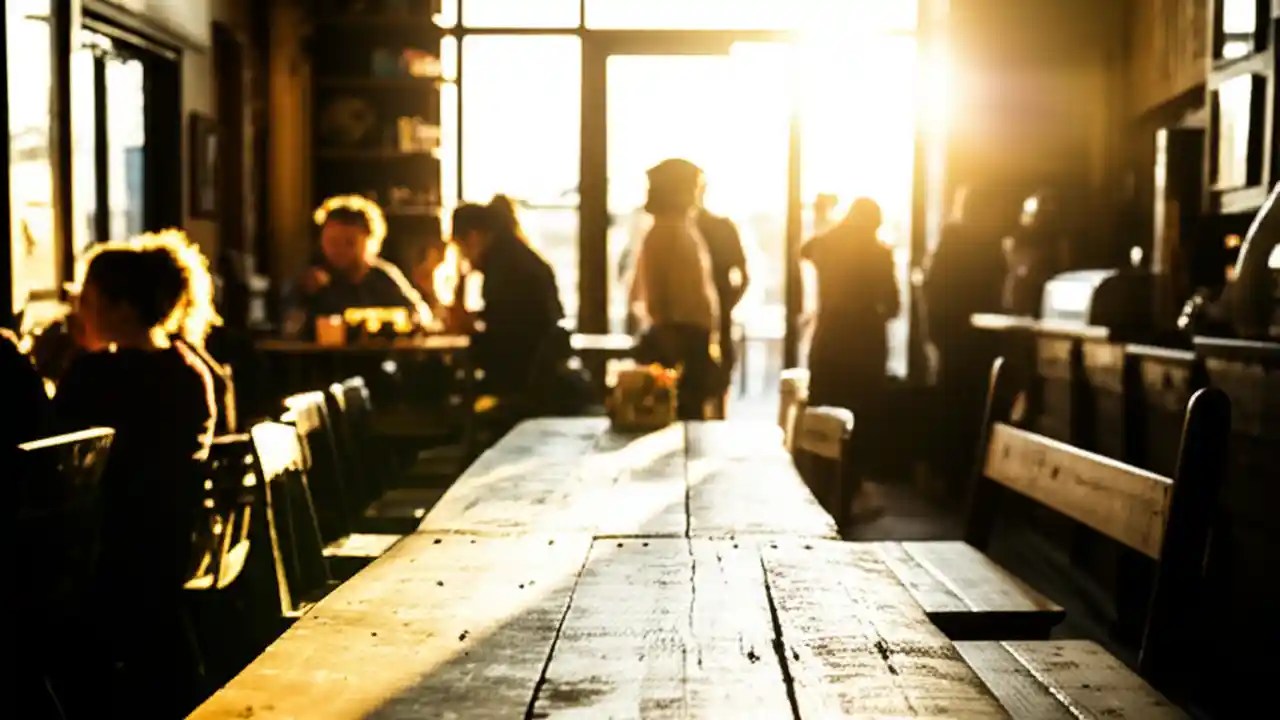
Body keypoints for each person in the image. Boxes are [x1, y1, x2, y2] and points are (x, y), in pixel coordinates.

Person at [51, 232, 217, 716]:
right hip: (169, 549)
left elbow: (53, 458)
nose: (79, 310)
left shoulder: (95, 376)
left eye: (88, 300)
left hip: (107, 555)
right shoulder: (189, 370)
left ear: (120, 307)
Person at [802, 198, 900, 521]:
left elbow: (805, 249)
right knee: (859, 422)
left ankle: (818, 493)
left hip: (829, 342)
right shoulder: (879, 254)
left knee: (823, 416)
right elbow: (893, 305)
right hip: (864, 347)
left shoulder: (825, 245)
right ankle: (848, 496)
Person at [922, 184, 1012, 495]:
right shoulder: (980, 245)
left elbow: (932, 292)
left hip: (957, 340)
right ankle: (964, 481)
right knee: (969, 410)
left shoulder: (952, 243)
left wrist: (936, 335)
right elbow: (994, 290)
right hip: (971, 341)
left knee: (956, 409)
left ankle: (954, 479)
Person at [629, 158, 722, 420]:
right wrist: (669, 340)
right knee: (683, 416)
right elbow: (656, 293)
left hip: (688, 338)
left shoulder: (680, 228)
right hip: (678, 339)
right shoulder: (664, 232)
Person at [451, 203, 568, 399]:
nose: (463, 255)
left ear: (473, 237)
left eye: (460, 247)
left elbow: (502, 334)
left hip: (516, 371)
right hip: (538, 367)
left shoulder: (502, 266)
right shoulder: (517, 255)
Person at [290, 194, 430, 335]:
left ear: (371, 241)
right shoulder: (310, 281)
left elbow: (419, 314)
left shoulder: (383, 278)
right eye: (332, 242)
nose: (340, 249)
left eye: (349, 243)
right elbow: (291, 326)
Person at [693, 170, 750, 417]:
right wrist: (725, 304)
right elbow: (744, 275)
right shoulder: (721, 227)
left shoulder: (688, 230)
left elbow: (744, 275)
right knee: (718, 383)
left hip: (703, 320)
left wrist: (725, 305)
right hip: (719, 317)